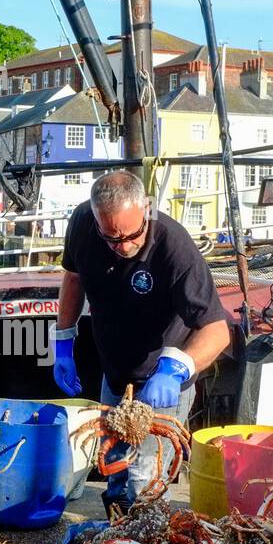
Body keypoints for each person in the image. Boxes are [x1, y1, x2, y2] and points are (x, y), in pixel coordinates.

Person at [53, 170, 233, 516]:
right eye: (110, 238)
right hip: (115, 370)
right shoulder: (81, 223)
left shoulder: (174, 246)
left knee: (145, 480)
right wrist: (63, 341)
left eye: (130, 236)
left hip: (162, 379)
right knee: (114, 469)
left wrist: (179, 367)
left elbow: (216, 329)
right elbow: (74, 276)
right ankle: (117, 536)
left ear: (146, 209)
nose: (121, 247)